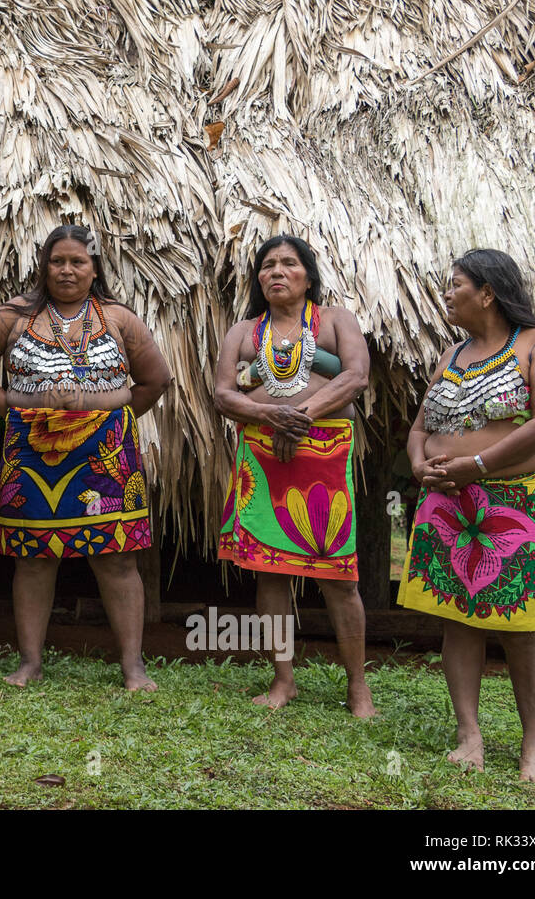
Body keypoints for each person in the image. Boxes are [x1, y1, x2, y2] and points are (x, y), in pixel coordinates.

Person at [0, 224, 172, 690]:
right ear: (44, 267)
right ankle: (30, 662)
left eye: (78, 261)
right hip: (31, 452)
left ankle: (133, 666)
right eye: (58, 261)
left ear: (95, 269)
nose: (68, 270)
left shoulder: (118, 317)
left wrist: (110, 413)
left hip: (107, 454)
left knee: (116, 557)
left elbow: (156, 380)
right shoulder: (15, 316)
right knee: (33, 557)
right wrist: (6, 403)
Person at [398, 249, 535, 783]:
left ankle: (532, 747)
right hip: (448, 504)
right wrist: (421, 465)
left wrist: (477, 465)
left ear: (488, 292)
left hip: (513, 502)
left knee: (523, 627)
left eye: (455, 285)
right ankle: (468, 736)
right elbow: (419, 429)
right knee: (458, 620)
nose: (446, 294)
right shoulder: (452, 355)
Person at [212, 234, 375, 716]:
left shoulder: (336, 321)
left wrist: (296, 415)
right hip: (262, 458)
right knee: (269, 570)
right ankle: (283, 680)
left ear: (308, 274)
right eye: (267, 266)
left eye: (288, 263)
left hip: (322, 456)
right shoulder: (243, 332)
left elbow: (355, 378)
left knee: (338, 577)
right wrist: (269, 418)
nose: (276, 272)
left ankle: (358, 687)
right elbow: (224, 395)